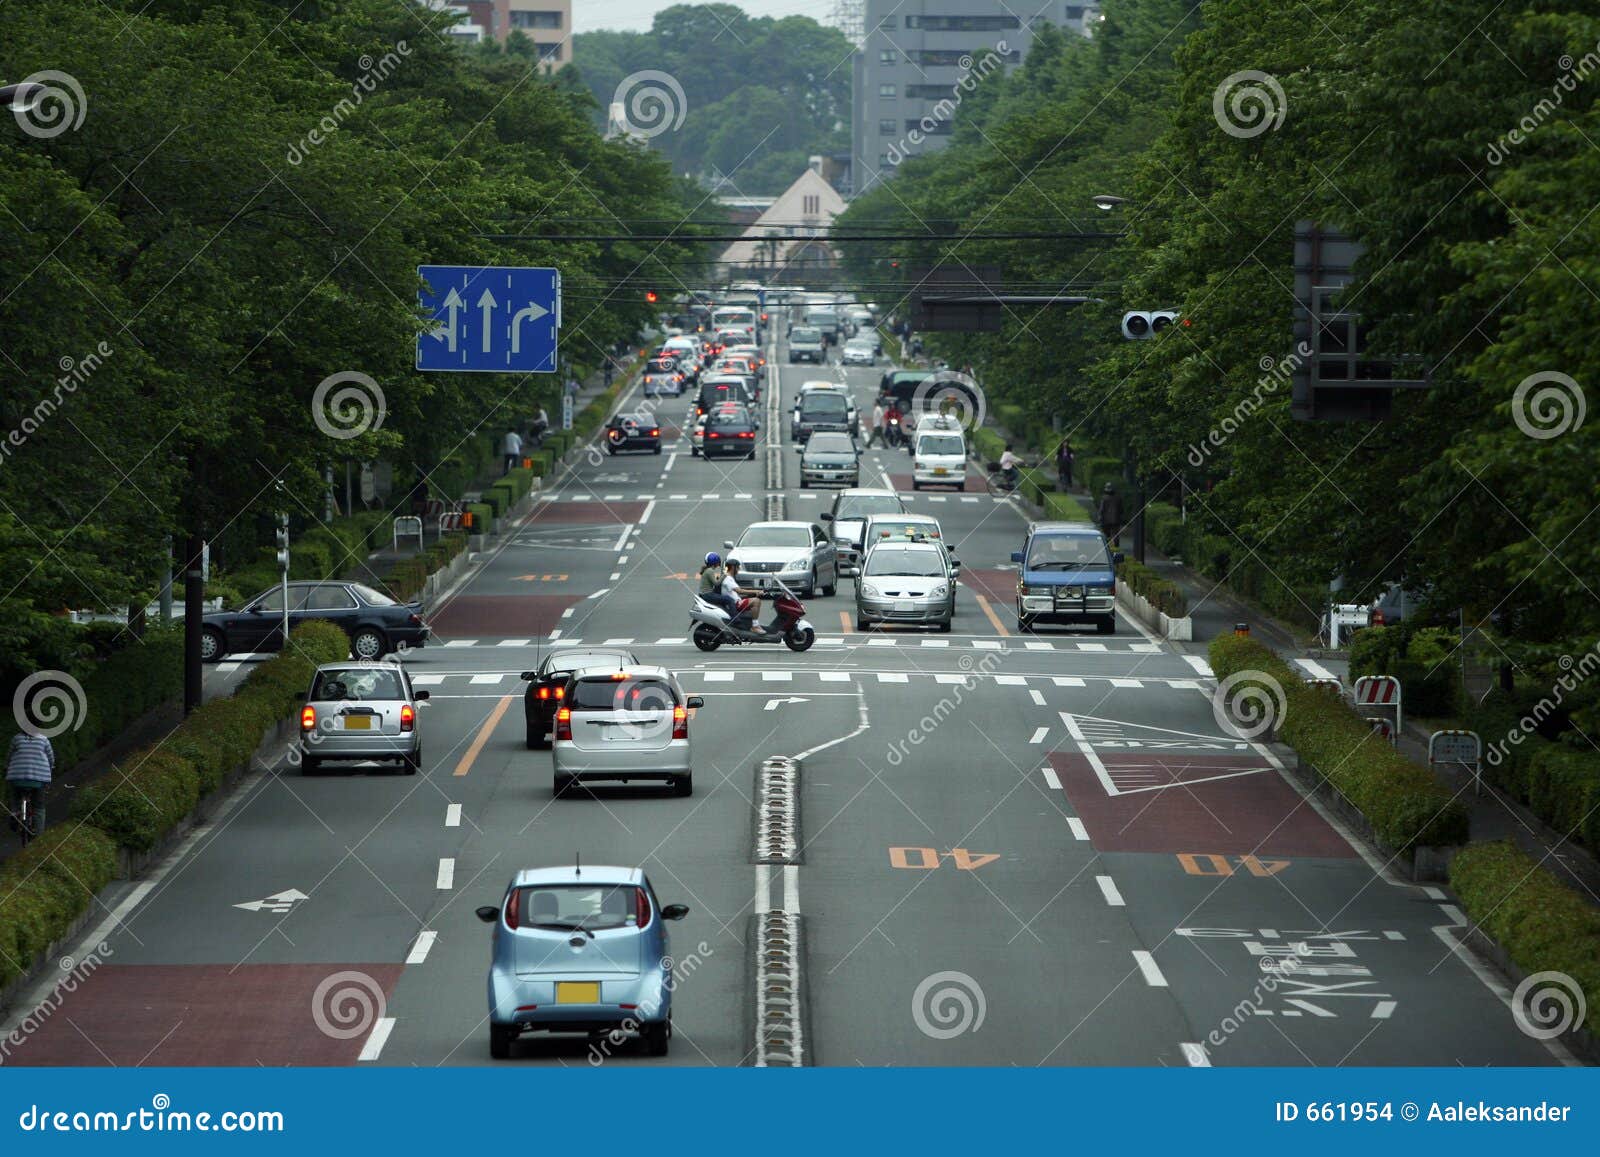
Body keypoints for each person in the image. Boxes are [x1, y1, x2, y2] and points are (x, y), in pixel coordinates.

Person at [6, 729, 54, 839]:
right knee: (39, 808)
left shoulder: (16, 738)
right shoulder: (44, 739)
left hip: (17, 778)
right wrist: (50, 770)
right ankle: (39, 836)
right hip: (38, 780)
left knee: (14, 797)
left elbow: (9, 757)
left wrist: (7, 767)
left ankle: (15, 813)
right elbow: (51, 759)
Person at [720, 559, 765, 632]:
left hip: (737, 601)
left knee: (753, 599)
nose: (738, 569)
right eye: (737, 567)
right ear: (732, 567)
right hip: (736, 604)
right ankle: (755, 626)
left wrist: (754, 593)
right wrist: (757, 591)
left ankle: (749, 624)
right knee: (756, 601)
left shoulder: (729, 577)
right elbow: (740, 591)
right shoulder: (728, 579)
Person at [1096, 483, 1123, 547]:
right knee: (1115, 535)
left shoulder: (1104, 498)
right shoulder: (1118, 498)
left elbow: (1101, 509)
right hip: (1116, 520)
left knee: (1106, 535)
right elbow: (1121, 510)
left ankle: (1106, 547)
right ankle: (1116, 548)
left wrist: (1099, 517)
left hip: (1105, 520)